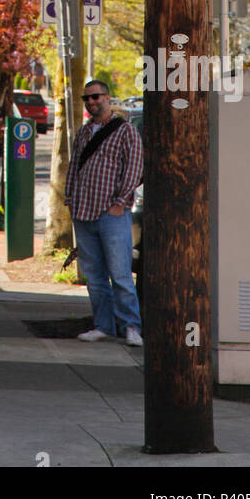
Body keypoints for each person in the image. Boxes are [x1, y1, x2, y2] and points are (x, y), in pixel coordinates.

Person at [64, 80, 144, 346]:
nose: (91, 102)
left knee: (120, 274)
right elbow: (74, 166)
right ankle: (103, 326)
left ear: (107, 98)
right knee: (95, 277)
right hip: (83, 213)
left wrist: (120, 203)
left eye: (95, 97)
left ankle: (131, 327)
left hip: (112, 215)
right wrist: (70, 199)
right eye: (86, 98)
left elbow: (134, 168)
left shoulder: (125, 131)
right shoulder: (84, 132)